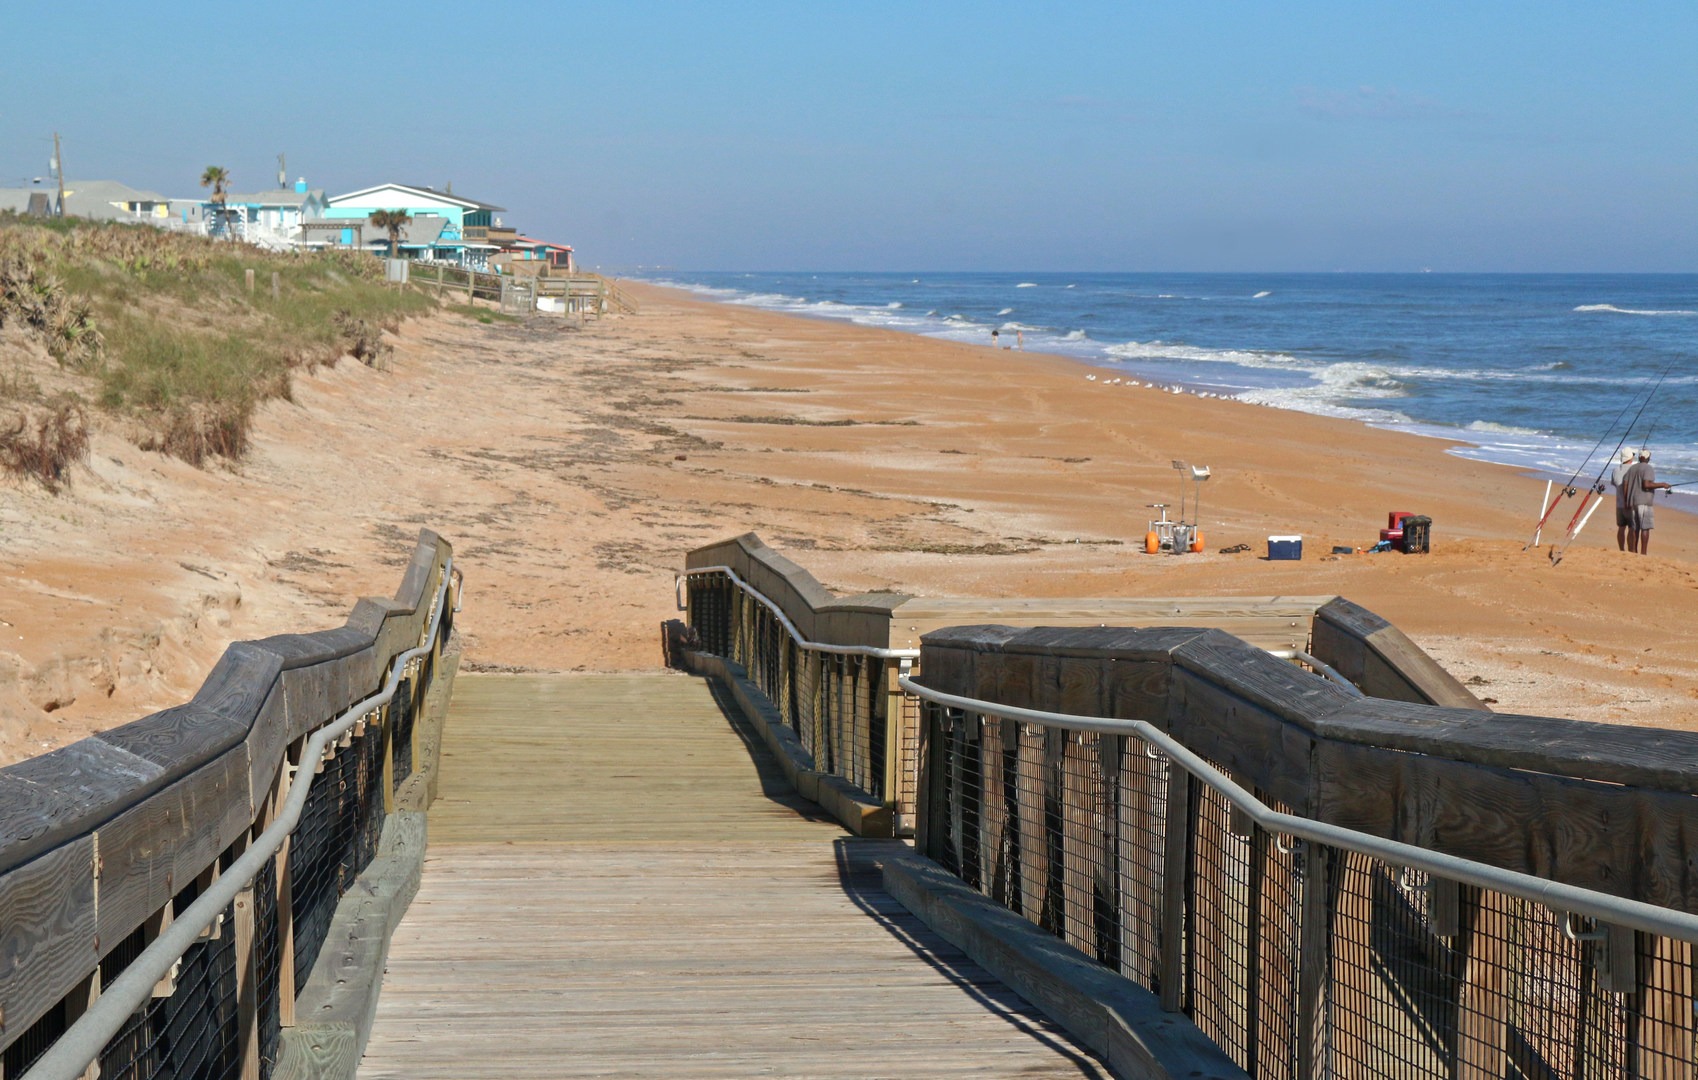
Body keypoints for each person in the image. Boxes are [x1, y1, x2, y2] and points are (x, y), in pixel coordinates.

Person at [1627, 448, 1673, 555]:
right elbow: (1646, 485)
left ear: (1639, 457)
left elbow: (1627, 483)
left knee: (1635, 528)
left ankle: (1634, 552)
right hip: (1644, 502)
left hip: (1632, 502)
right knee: (1645, 528)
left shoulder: (1632, 468)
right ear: (1647, 458)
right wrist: (1663, 484)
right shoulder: (1648, 468)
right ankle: (1643, 554)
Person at [1611, 447, 1637, 551]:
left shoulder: (1616, 470)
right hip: (1631, 505)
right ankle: (1631, 551)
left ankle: (1621, 550)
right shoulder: (1634, 470)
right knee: (1632, 528)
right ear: (1630, 457)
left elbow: (1614, 483)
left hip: (1619, 505)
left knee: (1621, 528)